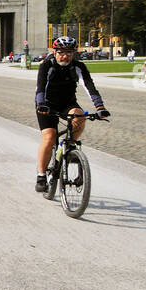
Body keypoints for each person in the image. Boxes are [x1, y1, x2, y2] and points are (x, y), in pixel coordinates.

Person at [34, 37, 108, 192]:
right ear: (54, 52)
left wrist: (100, 106)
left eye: (69, 53)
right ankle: (41, 175)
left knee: (80, 116)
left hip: (67, 103)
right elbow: (41, 87)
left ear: (74, 53)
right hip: (46, 104)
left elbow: (89, 86)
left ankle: (70, 146)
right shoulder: (47, 65)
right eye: (61, 52)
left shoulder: (78, 66)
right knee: (49, 136)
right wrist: (41, 104)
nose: (65, 56)